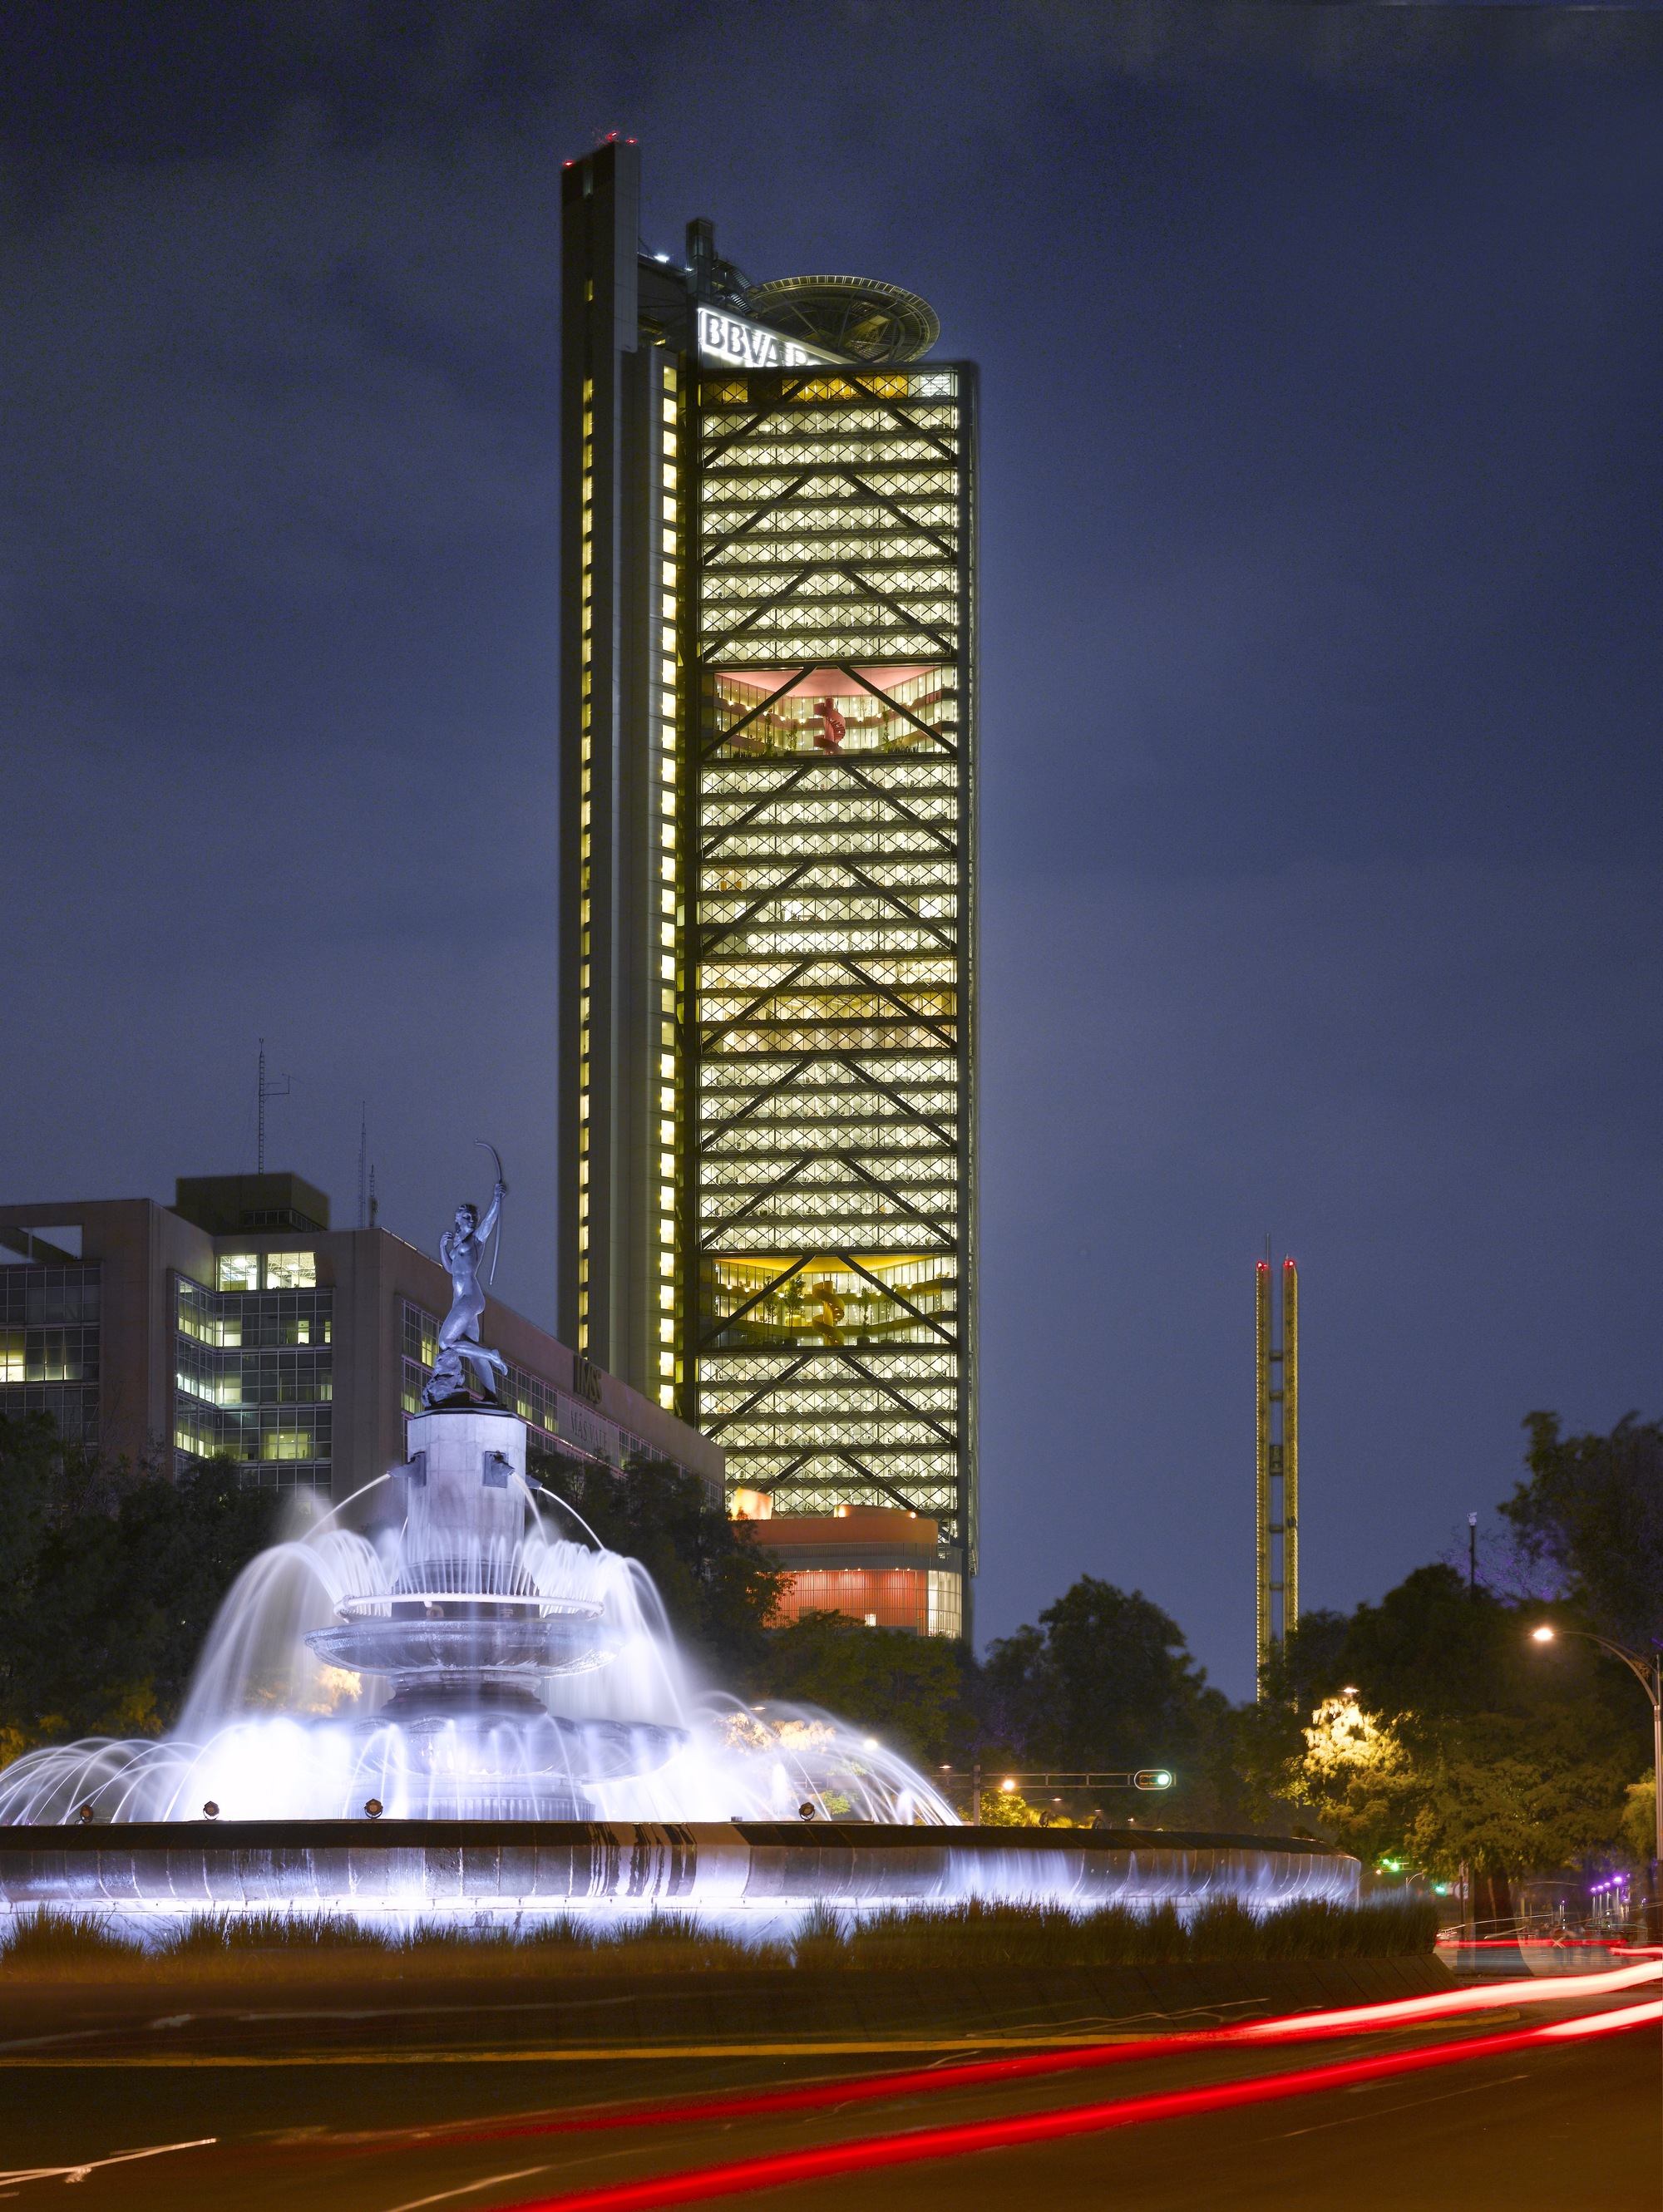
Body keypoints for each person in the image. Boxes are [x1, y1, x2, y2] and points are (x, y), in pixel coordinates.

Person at [422, 1178, 507, 1405]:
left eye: (473, 1218)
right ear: (457, 1220)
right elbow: (450, 1269)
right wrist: (442, 1247)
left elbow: (489, 1222)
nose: (471, 1220)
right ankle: (492, 1396)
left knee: (446, 1341)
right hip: (462, 1300)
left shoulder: (476, 1241)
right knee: (471, 1349)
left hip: (470, 1297)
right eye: (467, 1217)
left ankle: (491, 1354)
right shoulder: (458, 1245)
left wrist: (497, 1198)